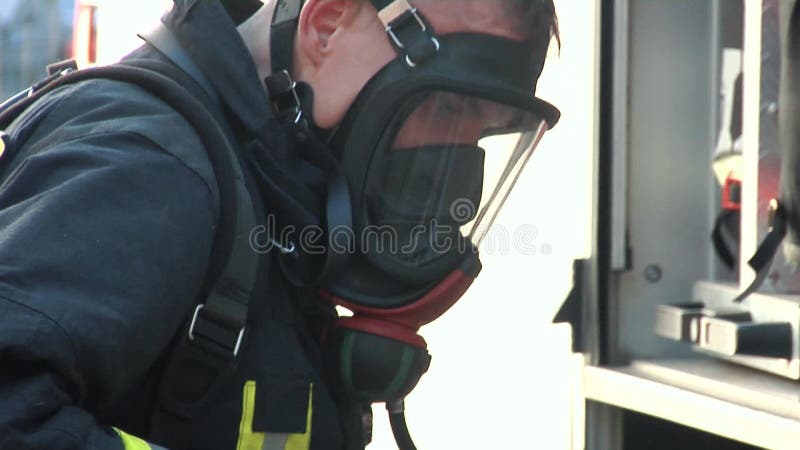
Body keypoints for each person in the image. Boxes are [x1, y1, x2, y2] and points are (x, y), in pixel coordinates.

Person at [0, 0, 560, 449]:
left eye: (481, 130)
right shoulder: (152, 161)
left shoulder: (277, 187)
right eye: (443, 106)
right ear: (327, 24)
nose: (453, 162)